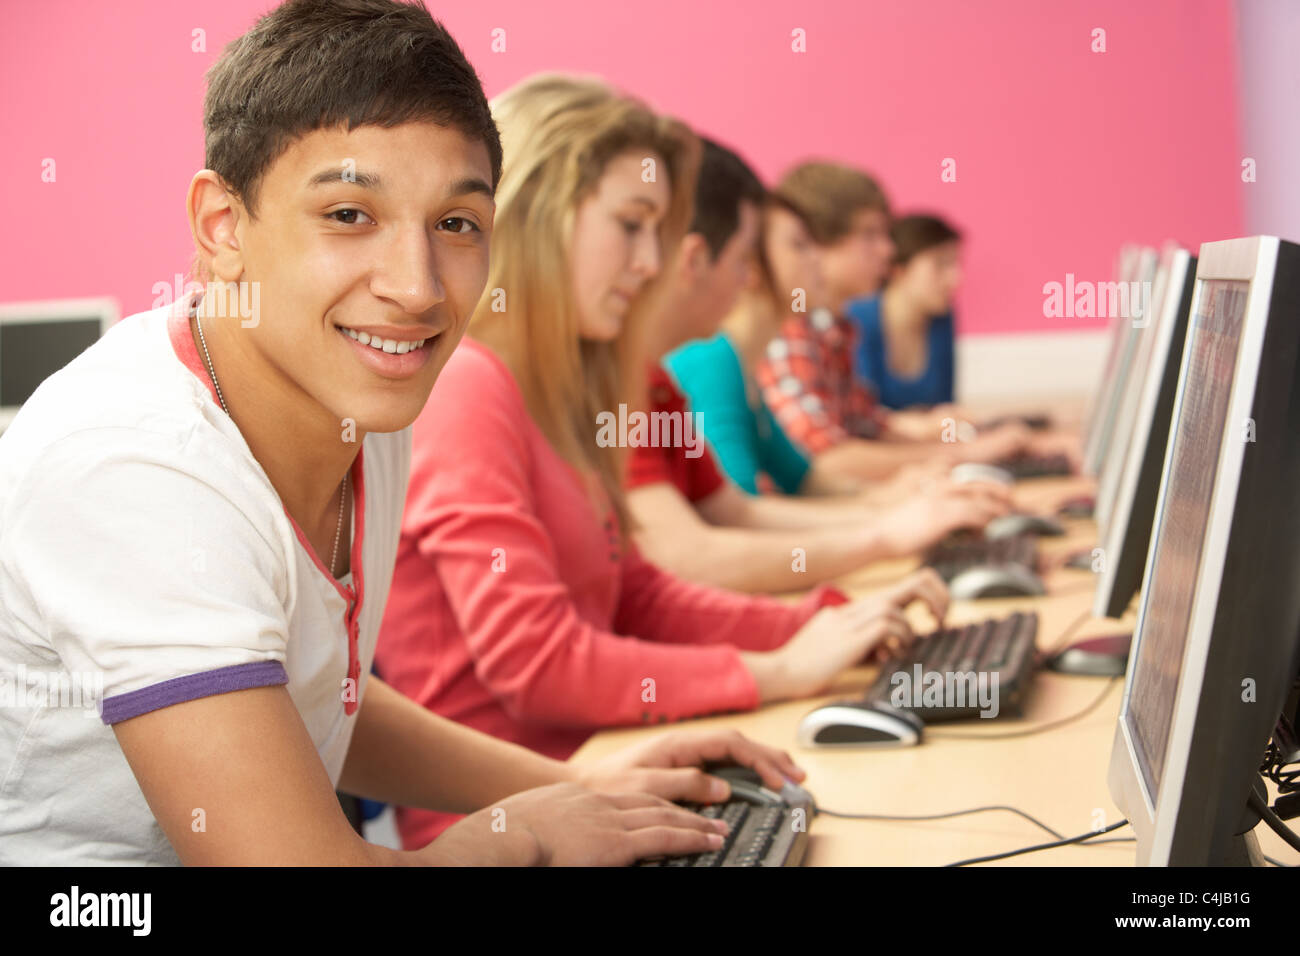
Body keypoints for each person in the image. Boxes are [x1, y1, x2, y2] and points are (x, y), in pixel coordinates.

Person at [0, 0, 818, 868]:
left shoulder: (362, 396)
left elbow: (313, 696)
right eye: (350, 214)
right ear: (222, 229)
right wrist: (528, 835)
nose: (418, 287)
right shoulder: (136, 463)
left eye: (456, 224)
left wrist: (582, 786)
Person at [374, 75, 949, 851]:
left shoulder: (564, 383)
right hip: (509, 828)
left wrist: (814, 623)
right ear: (541, 210)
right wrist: (776, 672)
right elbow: (537, 664)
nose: (651, 262)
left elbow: (636, 596)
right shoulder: (468, 385)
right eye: (631, 225)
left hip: (606, 779)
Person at [630, 140, 1010, 593]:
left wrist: (888, 508)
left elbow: (774, 495)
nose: (817, 262)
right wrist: (884, 529)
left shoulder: (698, 371)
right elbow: (721, 537)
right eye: (799, 246)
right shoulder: (709, 361)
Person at [756, 162, 1038, 482]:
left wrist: (954, 435)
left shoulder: (834, 329)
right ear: (821, 245)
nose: (889, 250)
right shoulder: (790, 331)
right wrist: (962, 452)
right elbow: (825, 458)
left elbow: (867, 424)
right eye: (869, 235)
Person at [846, 214, 960, 411]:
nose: (956, 278)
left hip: (927, 441)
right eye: (940, 264)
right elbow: (858, 416)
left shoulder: (942, 318)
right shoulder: (858, 317)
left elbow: (944, 408)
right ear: (898, 269)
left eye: (956, 264)